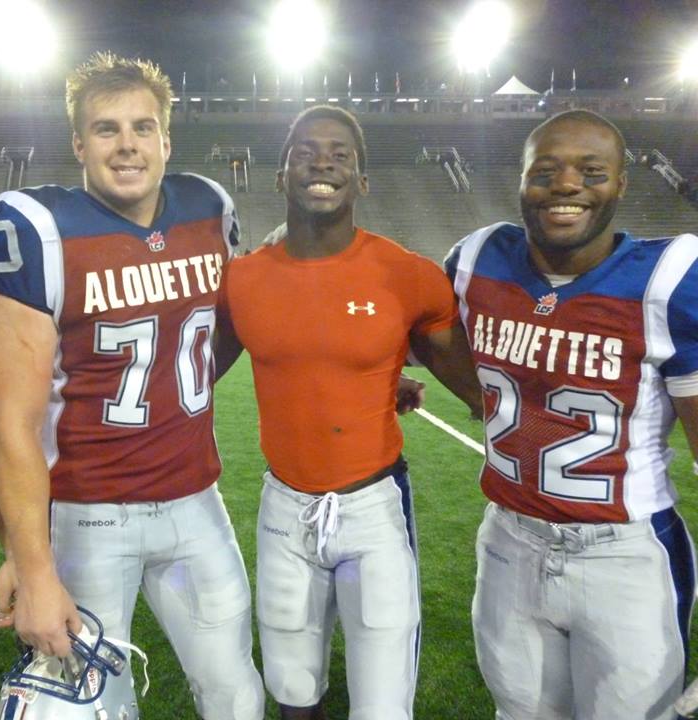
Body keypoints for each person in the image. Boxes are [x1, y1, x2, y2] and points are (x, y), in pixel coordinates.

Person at [0, 52, 264, 719]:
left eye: (141, 127)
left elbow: (226, 335)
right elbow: (11, 424)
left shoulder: (207, 208)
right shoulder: (39, 231)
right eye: (106, 129)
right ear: (79, 143)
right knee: (89, 706)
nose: (126, 144)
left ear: (166, 139)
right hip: (90, 515)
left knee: (237, 695)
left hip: (197, 505)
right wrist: (32, 563)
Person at [215, 105, 483, 720]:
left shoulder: (408, 275)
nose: (323, 161)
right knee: (291, 687)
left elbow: (475, 387)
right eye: (306, 150)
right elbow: (192, 382)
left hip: (374, 506)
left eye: (341, 153)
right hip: (284, 506)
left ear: (362, 181)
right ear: (279, 174)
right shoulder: (243, 279)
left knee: (383, 702)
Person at [445, 109, 698, 720]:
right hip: (508, 539)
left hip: (625, 554)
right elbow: (408, 326)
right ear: (521, 180)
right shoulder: (477, 259)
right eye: (546, 171)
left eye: (591, 171)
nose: (566, 186)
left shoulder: (668, 281)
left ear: (621, 183)